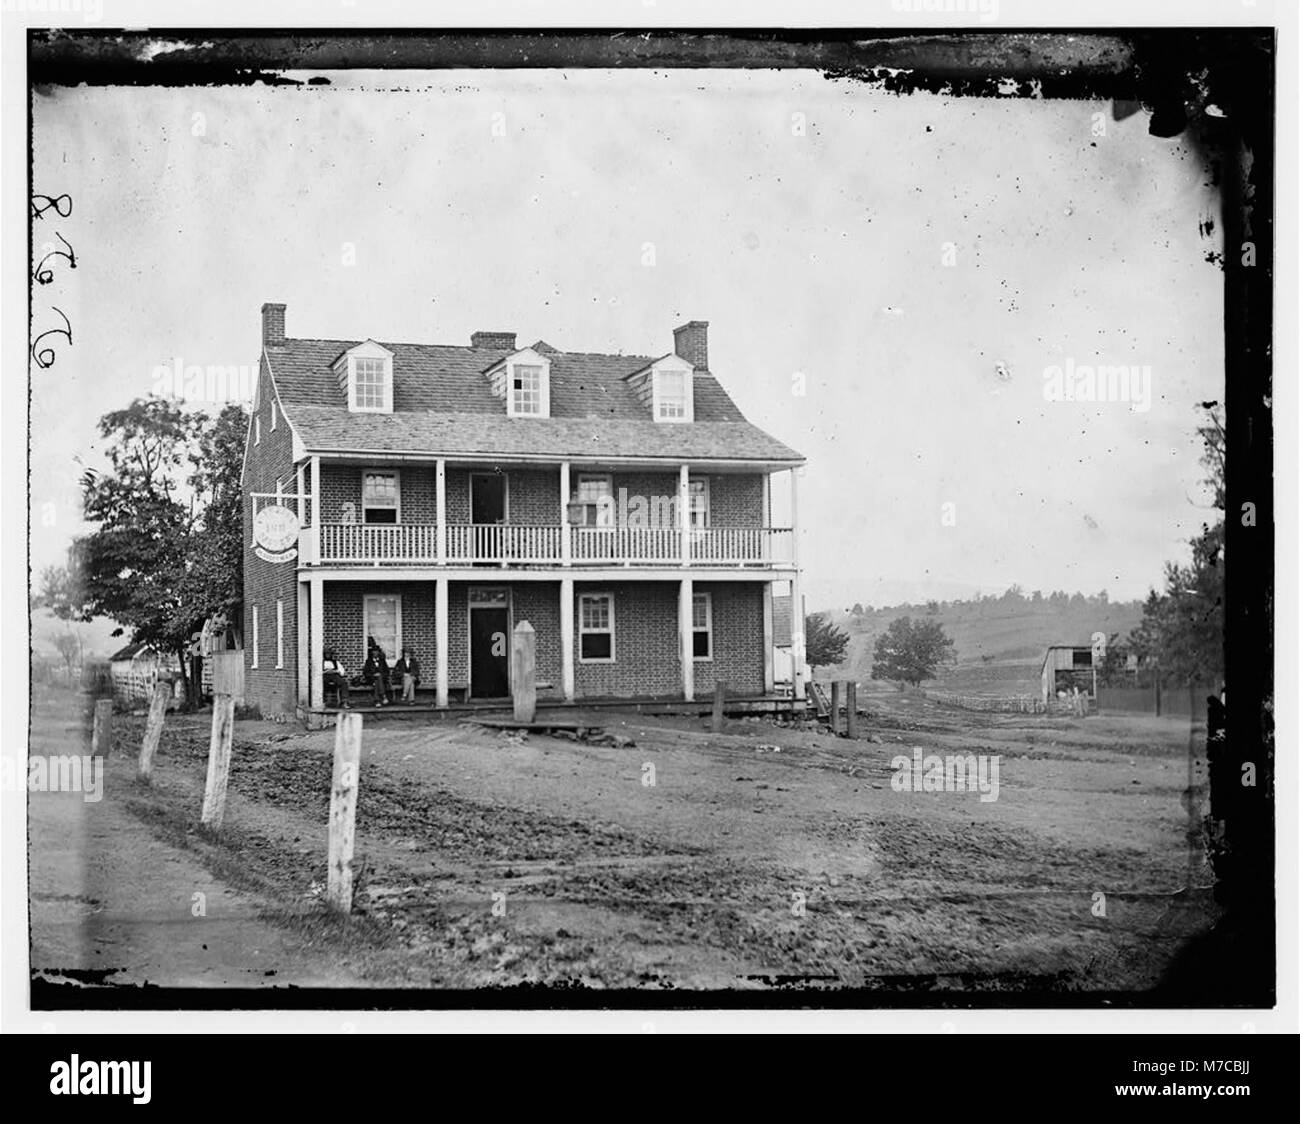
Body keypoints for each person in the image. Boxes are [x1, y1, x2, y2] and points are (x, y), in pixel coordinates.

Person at [363, 639, 391, 707]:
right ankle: (383, 696)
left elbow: (387, 671)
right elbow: (365, 672)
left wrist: (381, 675)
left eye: (376, 651)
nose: (375, 653)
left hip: (381, 679)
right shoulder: (368, 661)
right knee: (376, 680)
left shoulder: (382, 661)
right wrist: (373, 675)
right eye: (374, 651)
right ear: (372, 653)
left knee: (377, 681)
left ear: (378, 652)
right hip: (371, 679)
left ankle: (377, 701)